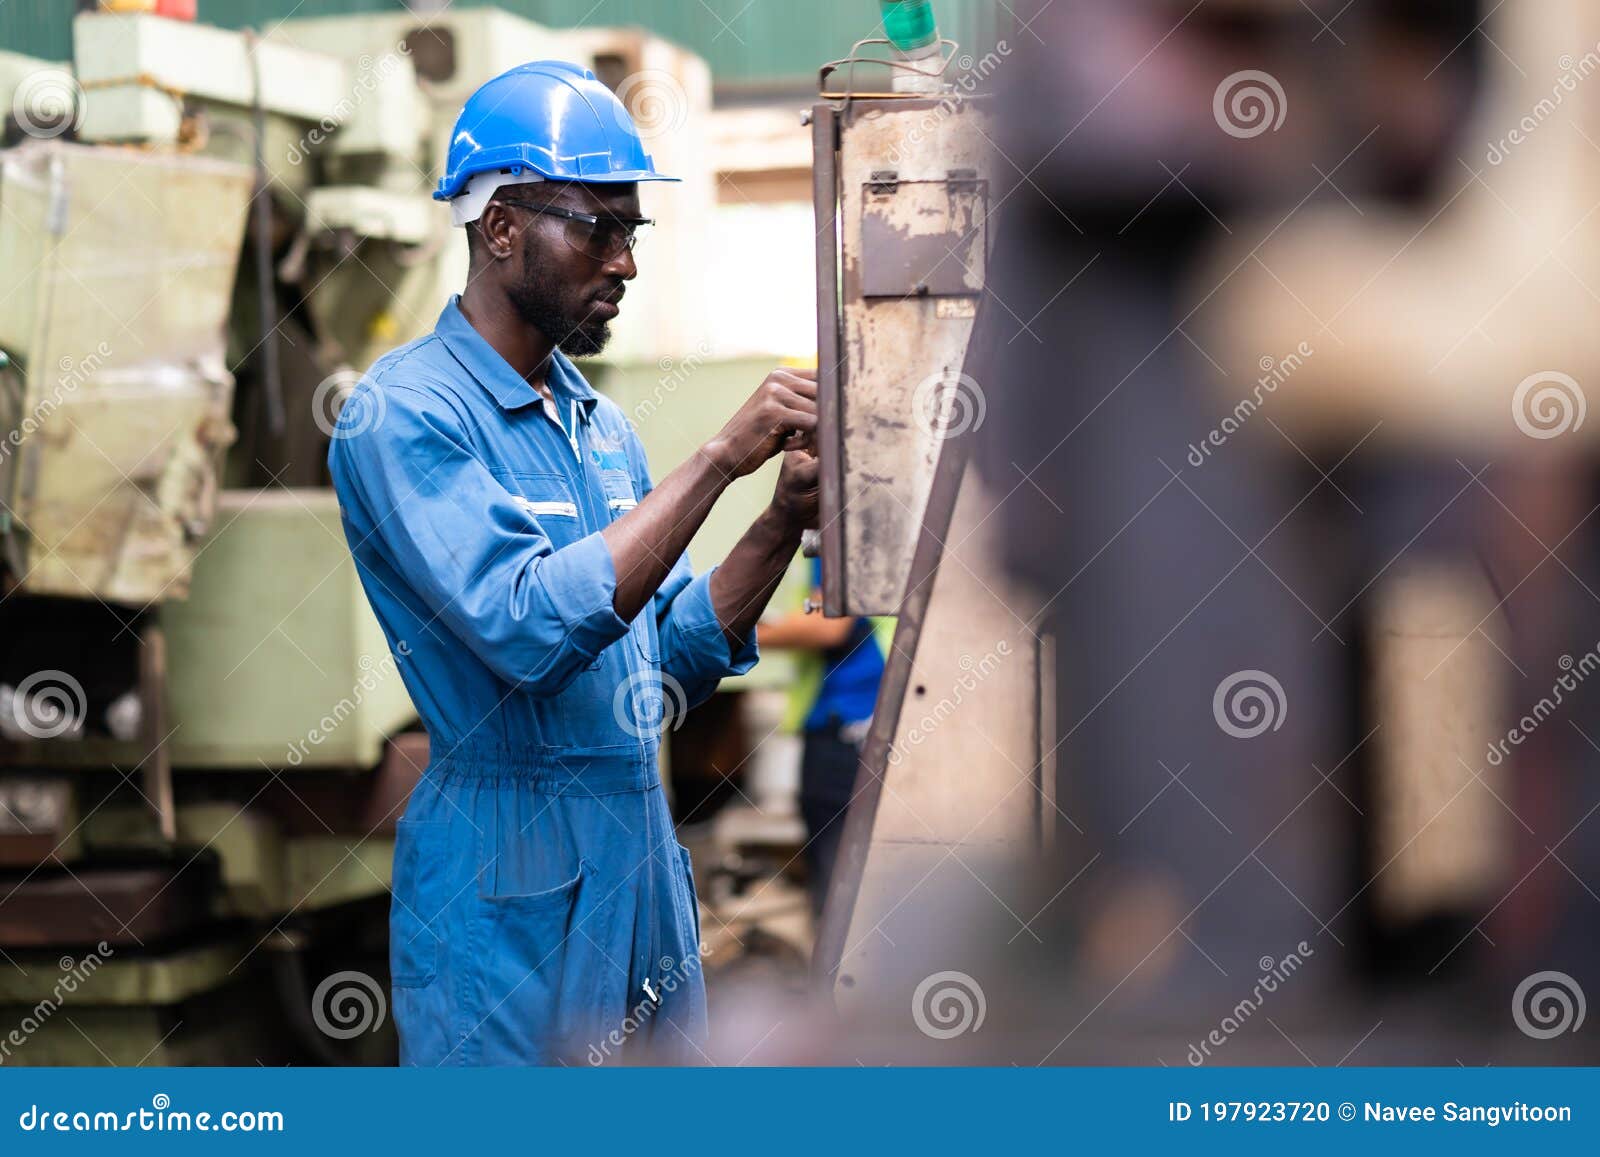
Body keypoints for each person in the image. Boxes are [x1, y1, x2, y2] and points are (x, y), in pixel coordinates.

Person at [327, 61, 819, 1066]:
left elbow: (671, 651)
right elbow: (528, 627)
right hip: (508, 881)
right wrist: (720, 460)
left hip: (636, 862)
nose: (625, 261)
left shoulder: (596, 424)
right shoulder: (405, 415)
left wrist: (778, 520)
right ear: (501, 225)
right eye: (597, 227)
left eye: (631, 231)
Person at [757, 559, 886, 915]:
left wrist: (729, 631)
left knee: (839, 879)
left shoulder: (843, 527)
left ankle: (839, 968)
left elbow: (830, 625)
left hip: (849, 725)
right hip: (866, 722)